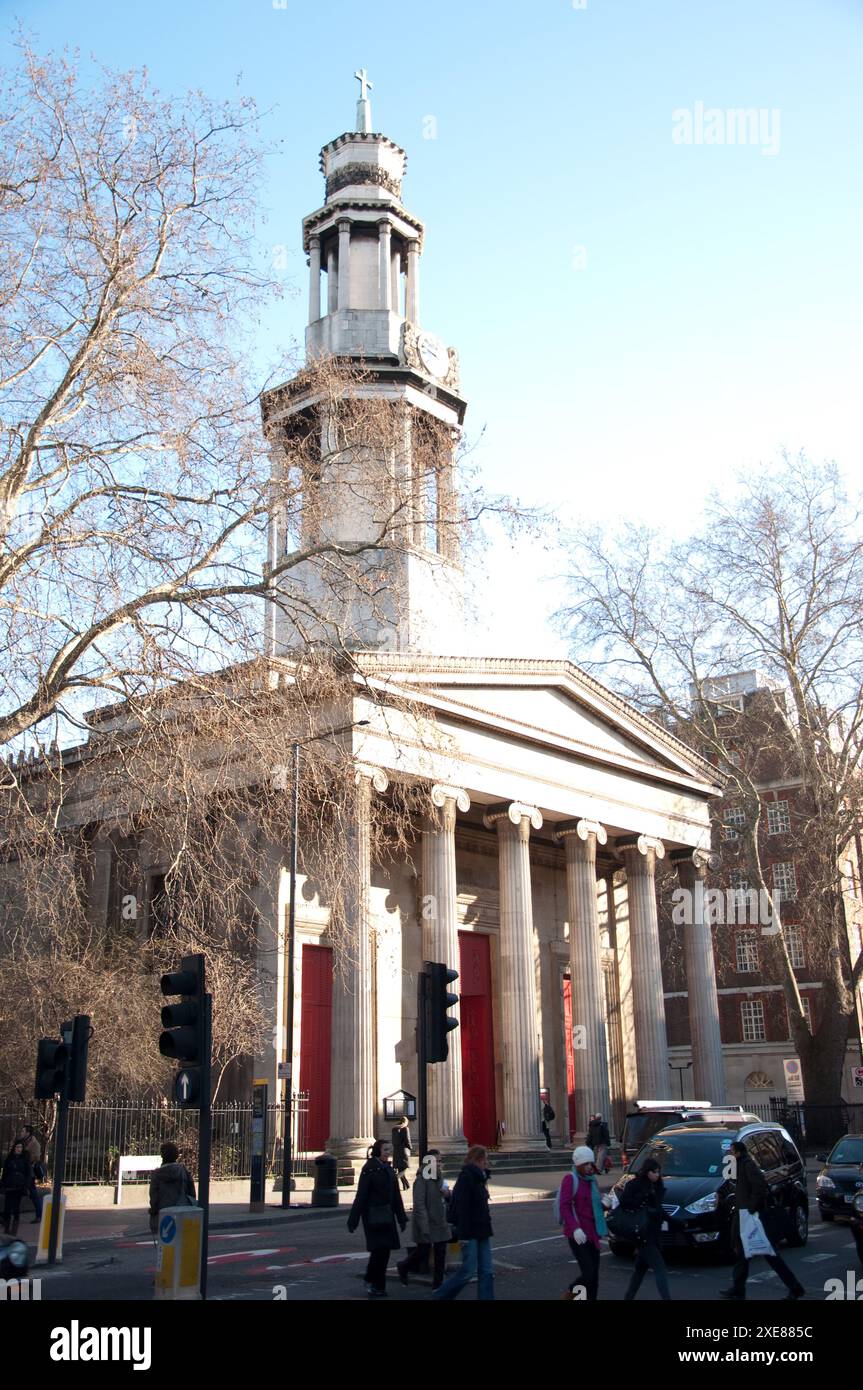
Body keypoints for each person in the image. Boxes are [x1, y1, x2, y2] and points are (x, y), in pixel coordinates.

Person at [720, 1140, 805, 1301]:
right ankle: (738, 1289)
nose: (730, 1154)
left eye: (731, 1151)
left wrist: (751, 1208)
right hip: (746, 1215)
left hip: (752, 1217)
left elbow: (758, 1187)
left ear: (738, 1152)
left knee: (769, 1254)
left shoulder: (747, 1165)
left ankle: (795, 1288)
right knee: (743, 1254)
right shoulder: (739, 1165)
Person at [433, 1144, 494, 1300]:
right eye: (485, 1159)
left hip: (482, 1230)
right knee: (467, 1271)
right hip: (469, 1231)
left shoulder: (480, 1178)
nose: (487, 1162)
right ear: (478, 1160)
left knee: (486, 1271)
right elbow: (462, 1207)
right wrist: (464, 1235)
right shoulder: (466, 1178)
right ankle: (441, 1295)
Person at [347, 1138, 407, 1297]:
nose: (389, 1153)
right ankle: (374, 1283)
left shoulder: (388, 1169)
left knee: (384, 1252)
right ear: (378, 1151)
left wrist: (401, 1218)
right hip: (373, 1217)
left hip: (387, 1215)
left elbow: (396, 1196)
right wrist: (353, 1219)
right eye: (386, 1150)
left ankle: (376, 1284)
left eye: (390, 1150)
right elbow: (361, 1196)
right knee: (378, 1251)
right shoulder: (370, 1169)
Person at [558, 1145, 608, 1301]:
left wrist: (605, 1203)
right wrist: (575, 1228)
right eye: (585, 1164)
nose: (589, 1167)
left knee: (594, 1279)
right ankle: (569, 1295)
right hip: (578, 1235)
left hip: (592, 1233)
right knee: (588, 1274)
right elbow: (564, 1206)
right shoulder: (570, 1179)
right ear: (578, 1165)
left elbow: (595, 1204)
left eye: (590, 1164)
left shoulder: (592, 1180)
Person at [620, 1157, 672, 1300]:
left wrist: (676, 1222)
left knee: (640, 1269)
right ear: (647, 1172)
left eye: (658, 1172)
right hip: (643, 1233)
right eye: (654, 1172)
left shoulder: (656, 1186)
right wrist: (642, 1197)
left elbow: (659, 1209)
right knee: (660, 1268)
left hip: (653, 1232)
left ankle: (628, 1297)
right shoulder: (636, 1185)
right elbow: (625, 1202)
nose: (657, 1175)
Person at [397, 1149, 450, 1289]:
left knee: (440, 1252)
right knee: (423, 1251)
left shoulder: (439, 1177)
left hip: (438, 1220)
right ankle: (404, 1266)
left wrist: (447, 1194)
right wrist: (424, 1226)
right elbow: (419, 1204)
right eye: (436, 1161)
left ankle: (438, 1285)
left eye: (440, 1160)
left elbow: (444, 1197)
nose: (439, 1163)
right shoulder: (421, 1179)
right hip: (425, 1221)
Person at [148, 1141, 196, 1235]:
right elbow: (192, 1192)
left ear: (162, 1156)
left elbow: (154, 1198)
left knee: (167, 1242)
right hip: (182, 1211)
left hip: (164, 1213)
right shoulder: (183, 1171)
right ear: (176, 1155)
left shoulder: (156, 1175)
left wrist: (153, 1211)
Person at [1, 1141, 33, 1236]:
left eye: (20, 1147)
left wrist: (26, 1186)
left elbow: (28, 1174)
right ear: (14, 1148)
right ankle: (6, 1229)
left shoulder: (24, 1160)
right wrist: (3, 1184)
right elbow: (5, 1173)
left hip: (19, 1187)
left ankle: (14, 1231)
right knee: (7, 1208)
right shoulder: (9, 1159)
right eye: (17, 1147)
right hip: (9, 1186)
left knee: (16, 1208)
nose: (19, 1149)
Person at [16, 1124, 44, 1223]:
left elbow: (36, 1158)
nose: (21, 1133)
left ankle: (39, 1215)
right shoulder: (22, 1141)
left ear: (28, 1133)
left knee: (33, 1193)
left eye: (23, 1131)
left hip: (28, 1172)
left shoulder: (34, 1143)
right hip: (20, 1171)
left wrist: (23, 1158)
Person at [392, 1117, 412, 1191]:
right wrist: (410, 1147)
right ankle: (393, 1181)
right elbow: (407, 1140)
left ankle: (405, 1185)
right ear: (406, 1121)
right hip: (403, 1151)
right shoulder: (405, 1128)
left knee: (400, 1169)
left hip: (396, 1152)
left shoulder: (394, 1129)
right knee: (403, 1169)